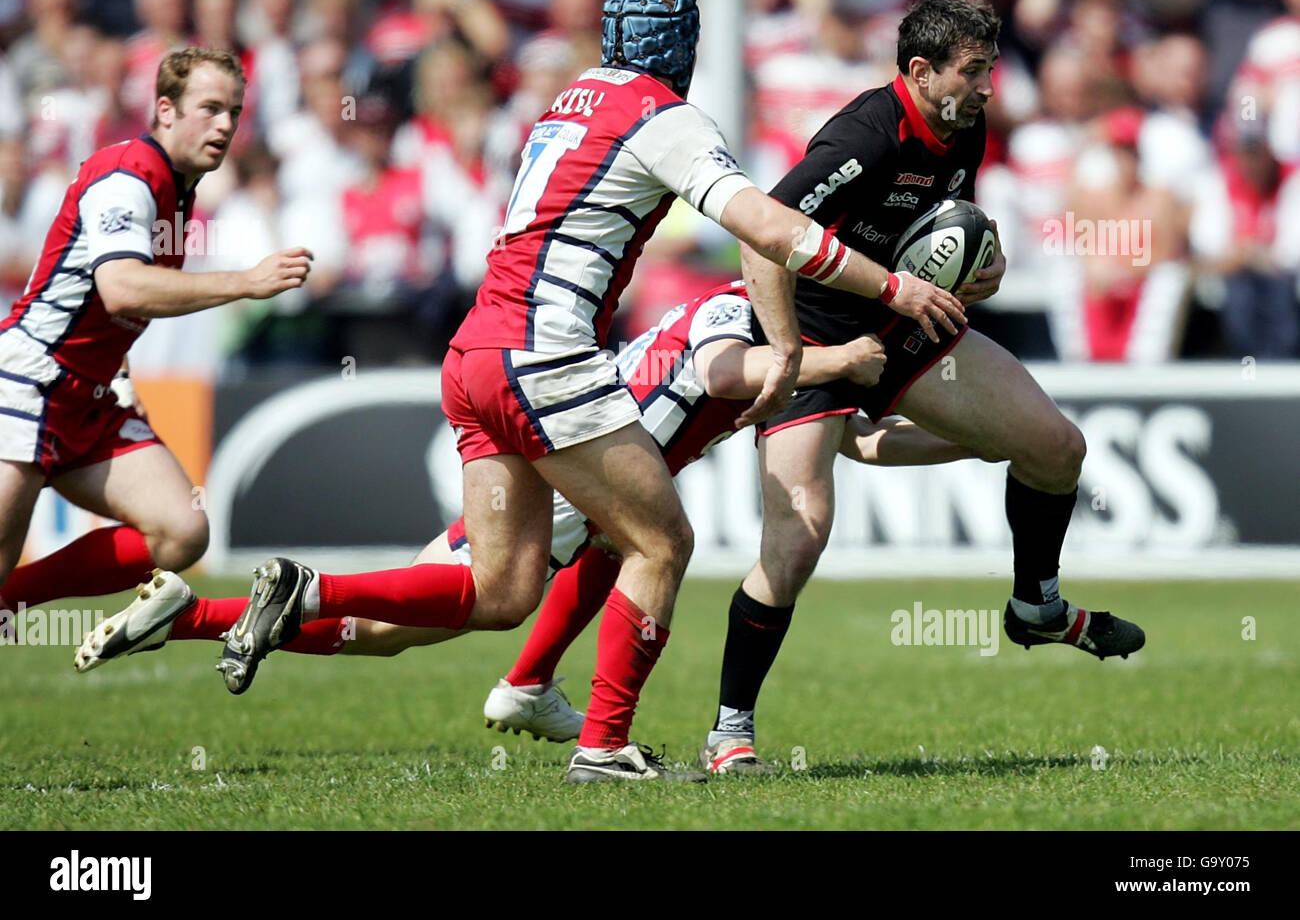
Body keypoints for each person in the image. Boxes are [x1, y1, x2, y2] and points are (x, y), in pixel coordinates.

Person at [212, 0, 966, 784]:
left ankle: (309, 591)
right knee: (660, 539)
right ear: (686, 48)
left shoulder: (572, 98)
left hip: (476, 351)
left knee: (501, 590)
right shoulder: (665, 118)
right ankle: (604, 748)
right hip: (545, 354)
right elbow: (768, 226)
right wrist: (893, 289)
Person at [80, 281, 973, 749]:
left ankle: (527, 685)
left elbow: (857, 442)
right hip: (586, 460)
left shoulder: (763, 332)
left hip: (586, 453)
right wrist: (848, 356)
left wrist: (972, 441)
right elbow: (724, 375)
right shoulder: (752, 326)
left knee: (617, 551)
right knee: (407, 622)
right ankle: (284, 597)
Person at [696, 0, 1146, 775]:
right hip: (812, 331)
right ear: (919, 71)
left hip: (907, 319)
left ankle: (1036, 605)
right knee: (797, 539)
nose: (988, 88)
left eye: (990, 71)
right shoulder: (866, 136)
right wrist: (791, 357)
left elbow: (950, 228)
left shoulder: (966, 127)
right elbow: (762, 238)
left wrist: (983, 264)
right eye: (973, 73)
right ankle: (730, 732)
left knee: (1055, 449)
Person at [0, 48, 312, 634]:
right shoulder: (128, 176)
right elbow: (120, 289)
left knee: (182, 531)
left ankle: (10, 600)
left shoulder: (179, 187)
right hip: (27, 381)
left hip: (88, 395)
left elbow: (94, 302)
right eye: (211, 108)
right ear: (165, 110)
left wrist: (117, 375)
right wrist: (244, 283)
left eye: (235, 112)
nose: (225, 125)